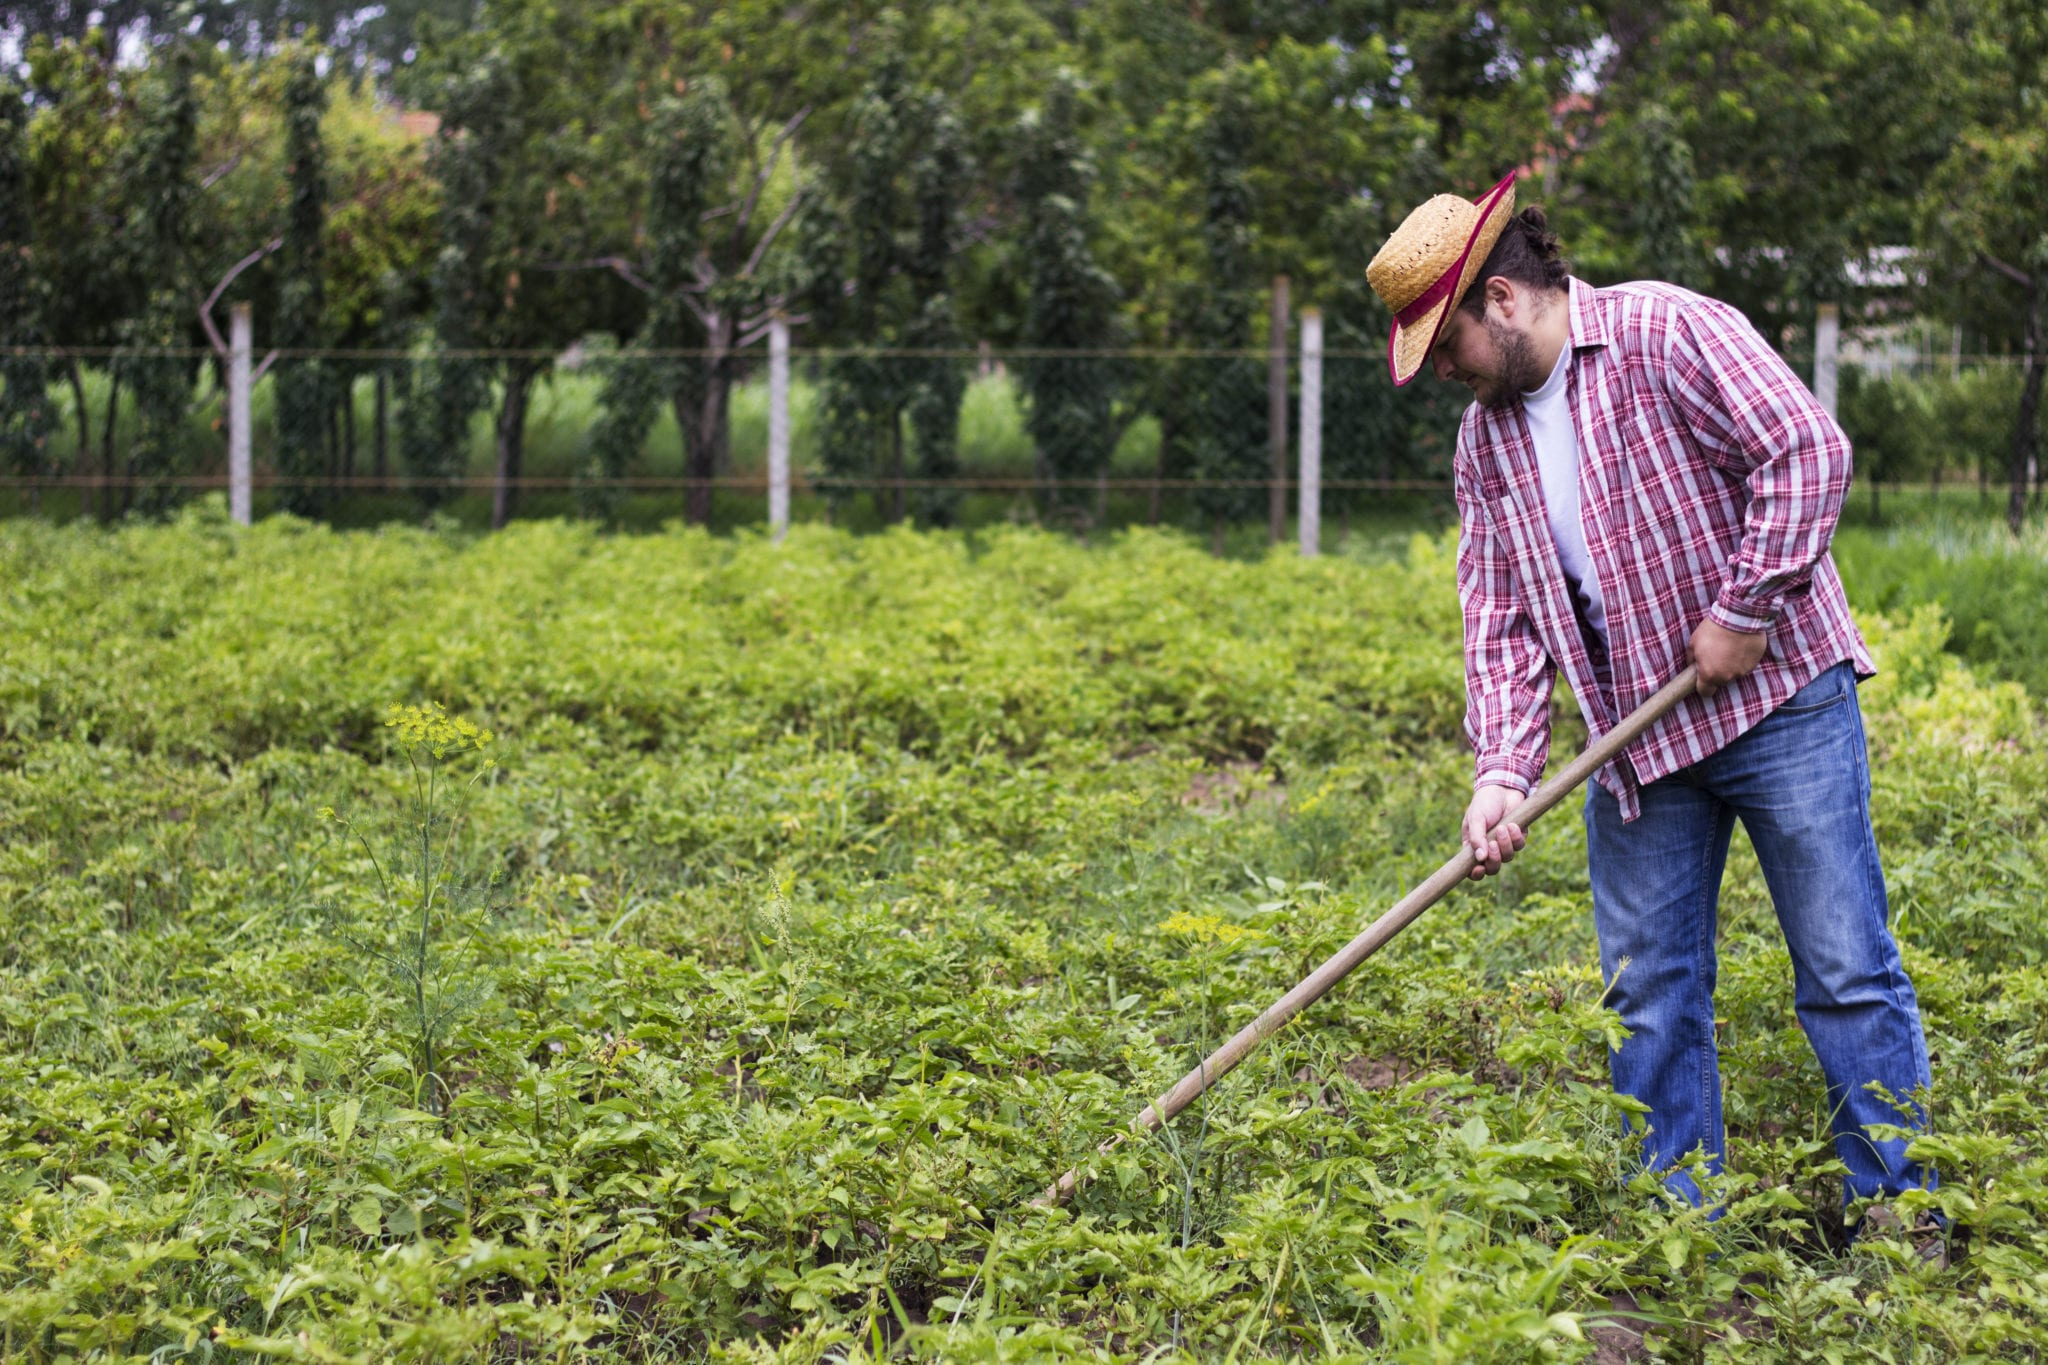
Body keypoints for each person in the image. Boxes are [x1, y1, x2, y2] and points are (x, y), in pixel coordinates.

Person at [1364, 173, 1939, 1244]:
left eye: (1442, 343)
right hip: (1638, 747)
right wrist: (1500, 771)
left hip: (1779, 705)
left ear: (1499, 300)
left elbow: (1807, 451)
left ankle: (1897, 1217)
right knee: (1648, 995)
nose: (1439, 370)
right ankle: (1683, 1232)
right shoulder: (1482, 446)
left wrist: (1743, 604)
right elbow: (1497, 614)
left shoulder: (1664, 333)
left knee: (1843, 967)